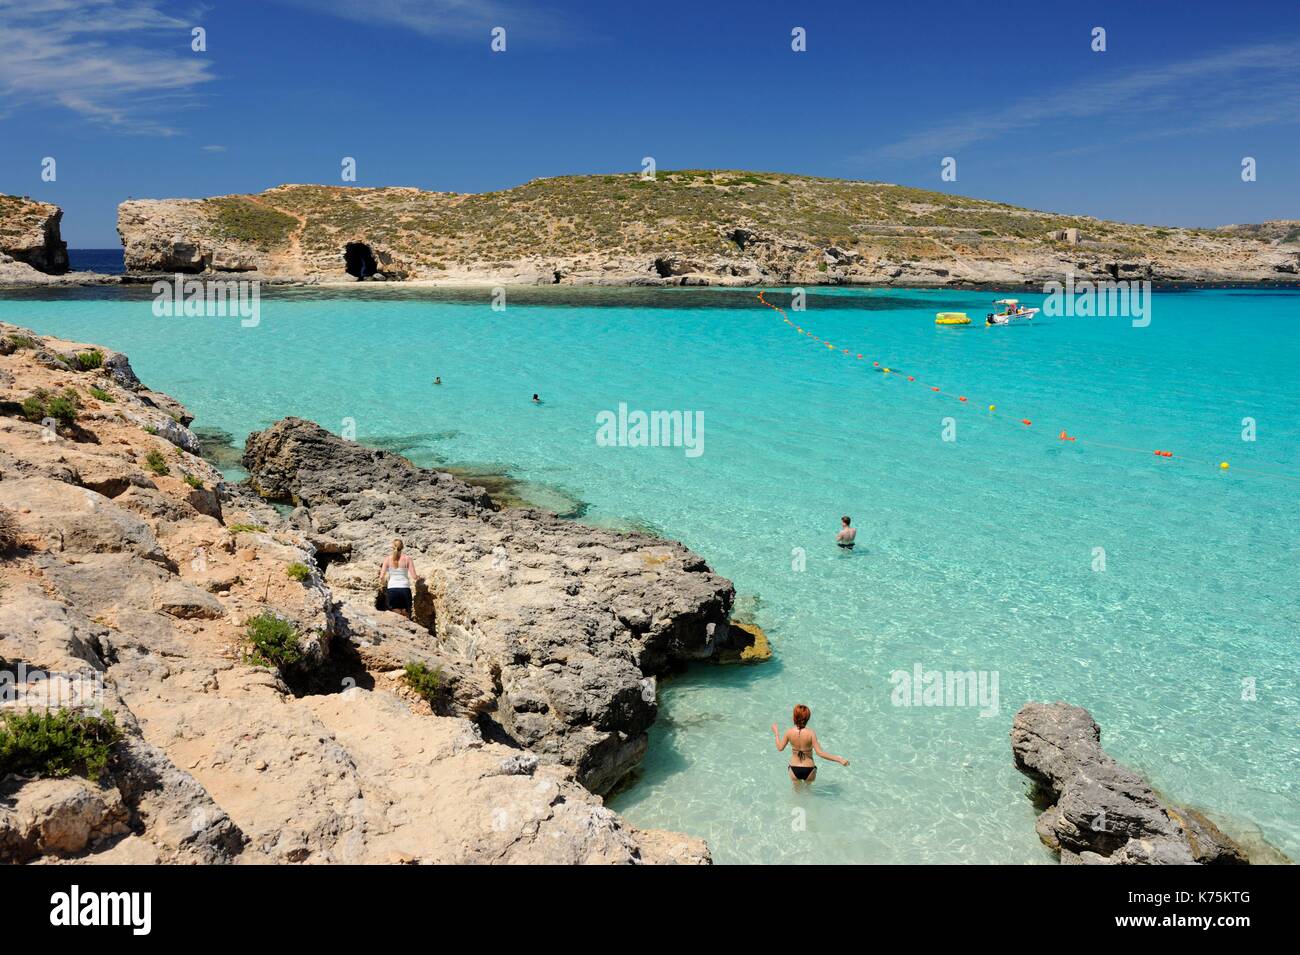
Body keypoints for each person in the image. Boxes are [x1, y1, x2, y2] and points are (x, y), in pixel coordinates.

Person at [772, 705, 848, 783]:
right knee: (808, 792)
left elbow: (780, 748)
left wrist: (776, 733)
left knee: (797, 792)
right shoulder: (811, 733)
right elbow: (820, 753)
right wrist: (839, 759)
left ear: (794, 716)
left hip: (794, 768)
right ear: (808, 718)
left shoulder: (789, 732)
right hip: (809, 769)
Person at [377, 538, 420, 618]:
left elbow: (381, 576)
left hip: (392, 589)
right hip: (404, 589)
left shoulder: (387, 559)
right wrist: (420, 578)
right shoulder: (407, 559)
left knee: (396, 616)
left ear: (392, 547)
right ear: (402, 547)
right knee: (406, 615)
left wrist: (383, 587)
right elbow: (414, 576)